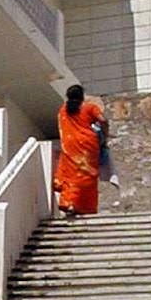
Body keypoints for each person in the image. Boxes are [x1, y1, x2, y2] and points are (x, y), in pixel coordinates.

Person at [54, 83, 107, 216]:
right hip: (87, 147)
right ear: (82, 96)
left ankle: (70, 203)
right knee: (87, 176)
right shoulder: (89, 107)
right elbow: (103, 120)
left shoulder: (62, 111)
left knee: (70, 175)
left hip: (69, 145)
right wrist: (105, 136)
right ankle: (85, 207)